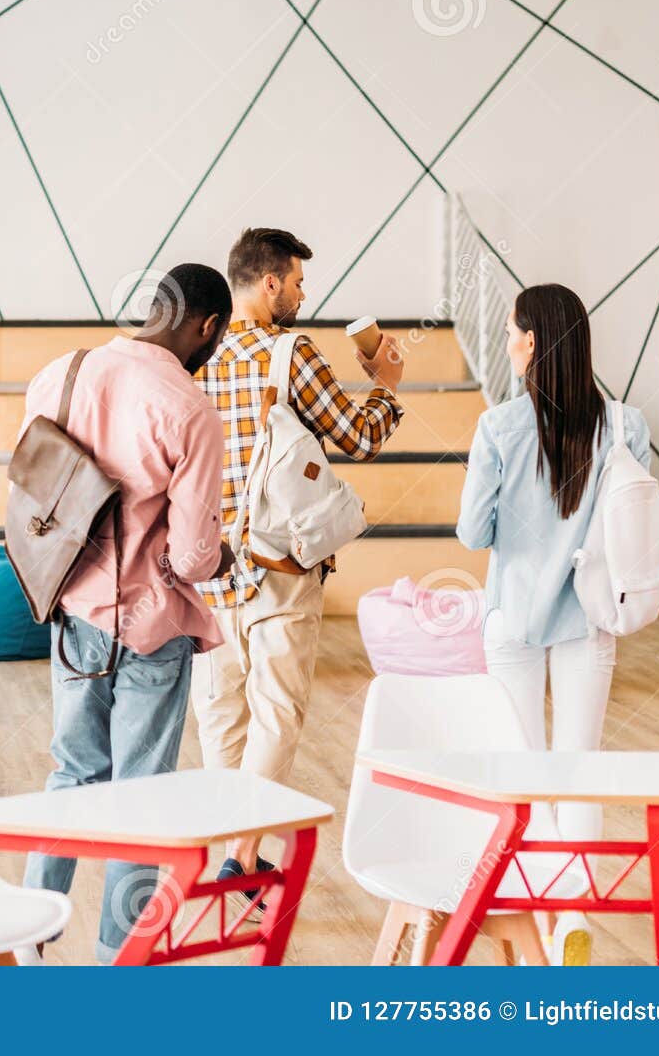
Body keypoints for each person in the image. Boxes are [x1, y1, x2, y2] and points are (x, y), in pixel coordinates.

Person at [20, 263, 234, 964]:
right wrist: (225, 557)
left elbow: (35, 485)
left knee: (73, 773)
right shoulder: (191, 409)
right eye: (217, 339)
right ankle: (121, 958)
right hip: (149, 628)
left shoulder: (61, 373)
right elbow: (196, 556)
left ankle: (30, 933)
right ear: (206, 327)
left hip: (72, 608)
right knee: (141, 794)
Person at [193, 228, 405, 900]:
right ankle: (241, 857)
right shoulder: (290, 351)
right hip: (279, 568)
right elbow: (359, 438)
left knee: (222, 715)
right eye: (298, 281)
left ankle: (237, 859)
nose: (303, 295)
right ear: (270, 282)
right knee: (277, 714)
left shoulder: (192, 354)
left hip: (207, 567)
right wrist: (388, 386)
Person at [457, 282, 650, 967]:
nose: (508, 343)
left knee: (523, 769)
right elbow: (628, 529)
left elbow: (473, 532)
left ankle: (534, 912)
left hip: (511, 618)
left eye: (512, 331)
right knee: (579, 767)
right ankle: (576, 916)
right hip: (590, 621)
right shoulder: (627, 426)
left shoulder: (498, 427)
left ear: (533, 341)